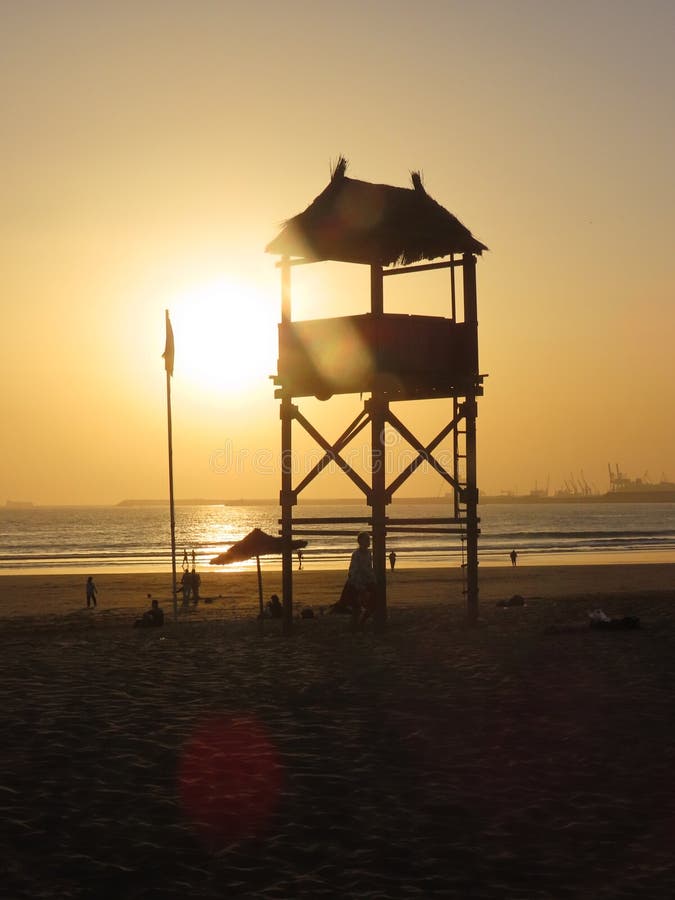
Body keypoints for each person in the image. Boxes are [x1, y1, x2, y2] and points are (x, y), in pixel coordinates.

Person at [347, 532, 376, 627]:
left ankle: (361, 622)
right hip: (357, 582)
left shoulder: (368, 553)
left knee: (373, 602)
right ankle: (356, 624)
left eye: (369, 539)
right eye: (367, 539)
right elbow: (354, 571)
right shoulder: (356, 554)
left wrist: (372, 580)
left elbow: (369, 569)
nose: (369, 541)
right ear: (360, 541)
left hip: (366, 581)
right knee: (357, 607)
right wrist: (360, 586)